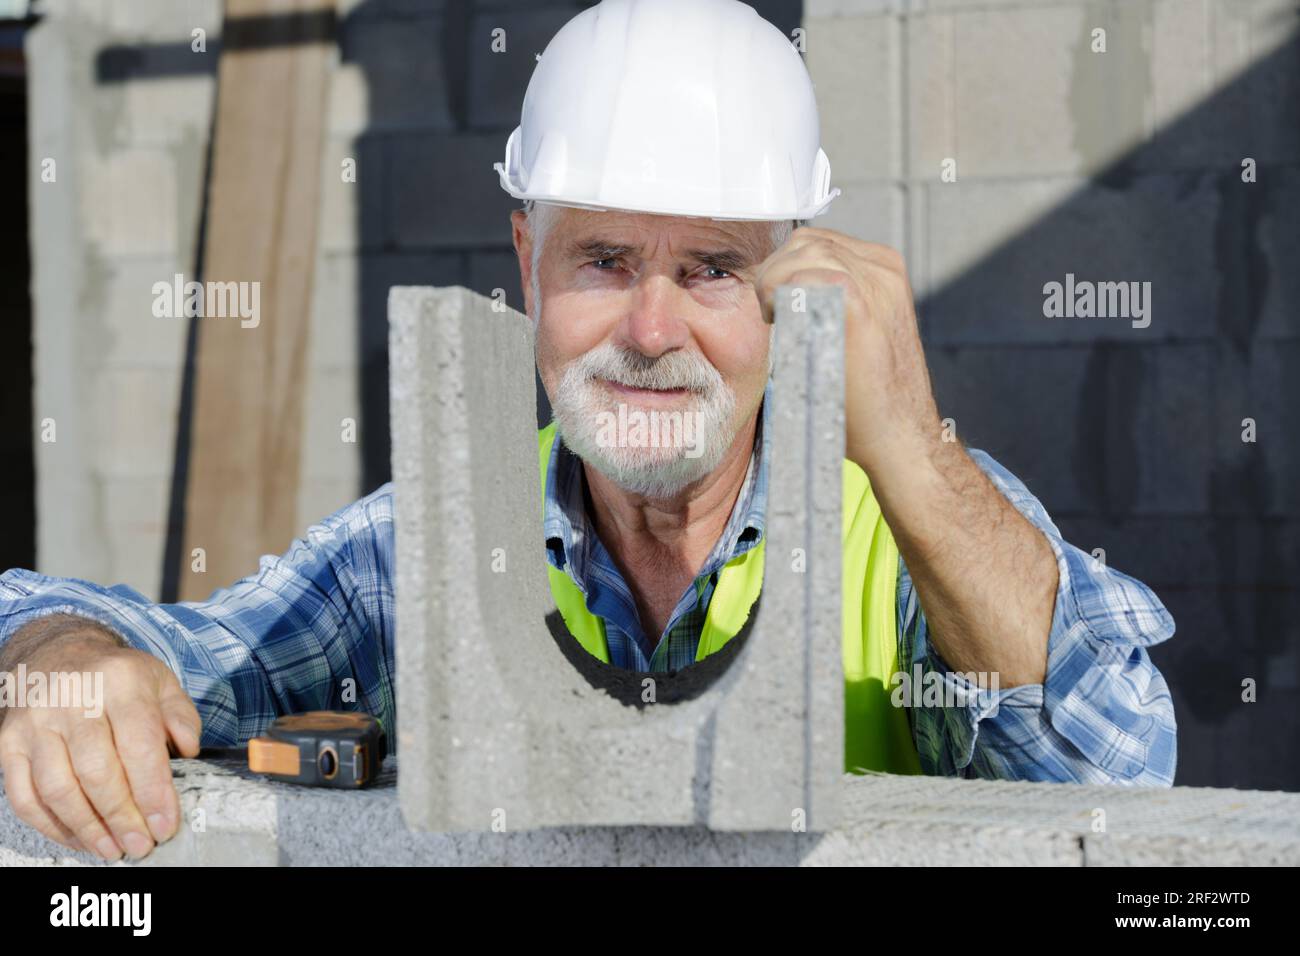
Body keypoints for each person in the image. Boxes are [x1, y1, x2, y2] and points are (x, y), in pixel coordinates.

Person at [0, 0, 1176, 862]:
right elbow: (192, 654)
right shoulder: (436, 543)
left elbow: (1118, 785)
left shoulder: (908, 528)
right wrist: (58, 655)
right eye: (603, 260)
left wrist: (914, 449)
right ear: (528, 264)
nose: (651, 326)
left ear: (799, 282)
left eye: (712, 267)